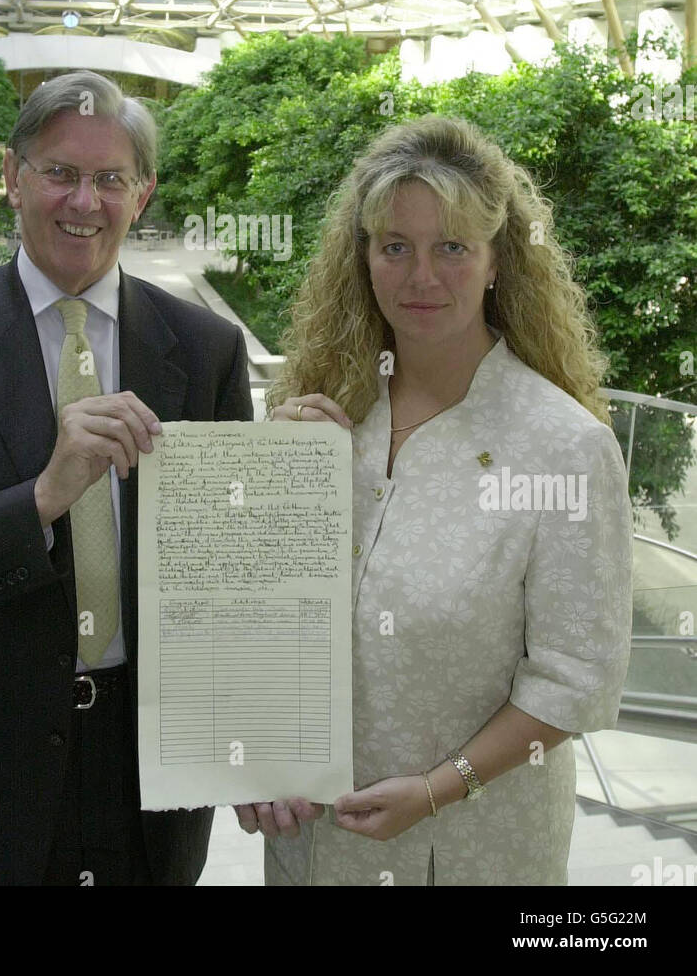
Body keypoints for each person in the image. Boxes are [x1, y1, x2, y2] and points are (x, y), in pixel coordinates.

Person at [0, 69, 253, 885]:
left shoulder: (205, 352)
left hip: (149, 784)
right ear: (12, 178)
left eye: (110, 180)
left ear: (143, 195)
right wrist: (41, 499)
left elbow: (232, 587)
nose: (83, 202)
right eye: (60, 172)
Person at [236, 114, 633, 886]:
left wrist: (437, 789)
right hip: (310, 852)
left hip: (468, 853)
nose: (421, 277)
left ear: (495, 263)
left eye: (452, 247)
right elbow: (259, 622)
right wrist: (250, 757)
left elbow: (574, 682)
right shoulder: (319, 420)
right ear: (365, 259)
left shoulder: (564, 448)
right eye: (396, 247)